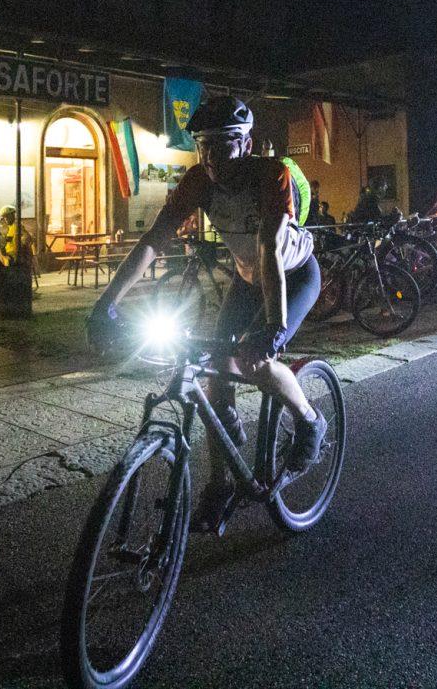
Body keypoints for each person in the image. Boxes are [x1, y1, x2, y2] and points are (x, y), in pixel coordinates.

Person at [87, 95, 326, 533]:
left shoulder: (270, 175)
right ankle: (222, 481)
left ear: (247, 144)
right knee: (214, 370)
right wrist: (107, 303)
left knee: (257, 361)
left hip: (292, 275)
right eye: (203, 145)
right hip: (249, 277)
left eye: (225, 144)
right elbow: (153, 241)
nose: (212, 156)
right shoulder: (199, 180)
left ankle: (310, 421)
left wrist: (272, 328)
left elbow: (270, 248)